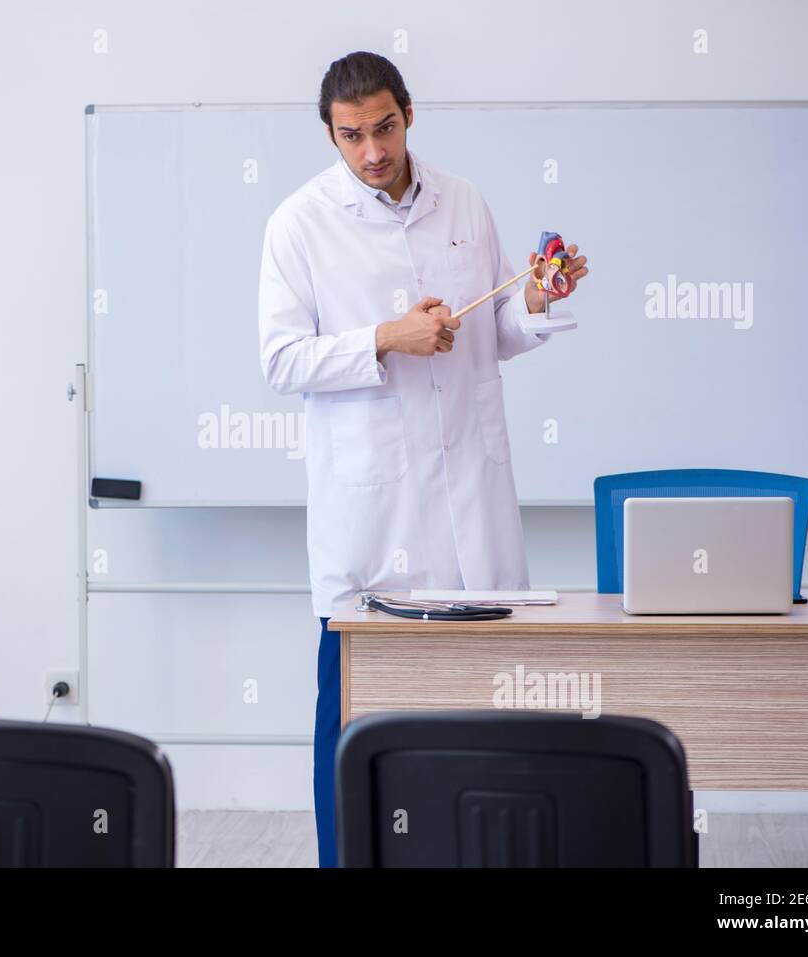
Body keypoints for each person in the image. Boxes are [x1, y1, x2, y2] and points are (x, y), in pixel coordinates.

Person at [256, 51, 590, 867]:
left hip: (471, 504)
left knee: (488, 732)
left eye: (385, 127)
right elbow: (281, 360)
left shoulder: (464, 205)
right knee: (359, 737)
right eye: (351, 136)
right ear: (330, 136)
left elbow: (493, 332)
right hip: (373, 530)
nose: (372, 151)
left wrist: (536, 299)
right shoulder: (299, 224)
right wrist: (386, 338)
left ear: (409, 113)